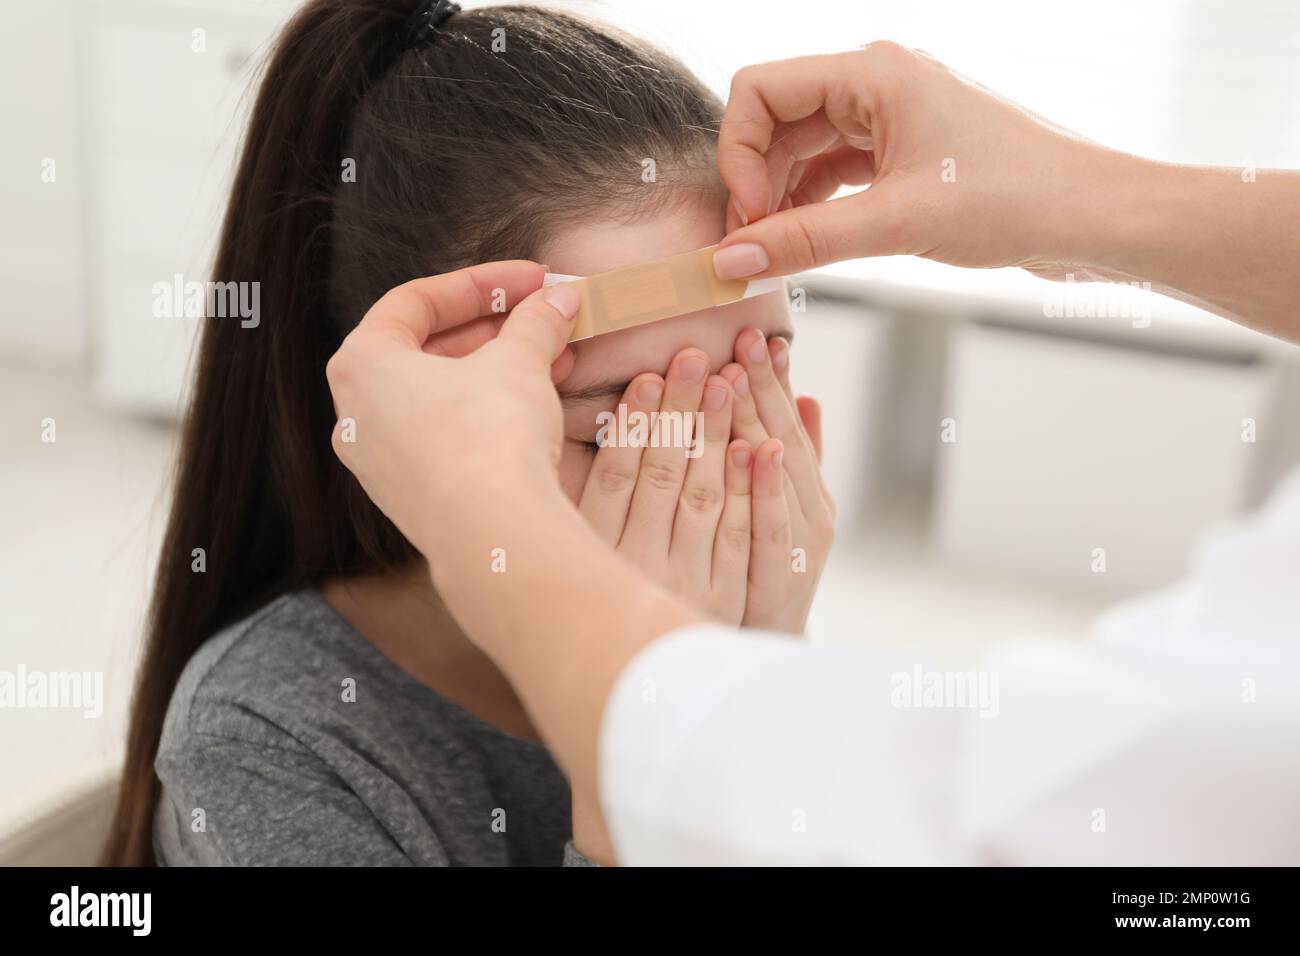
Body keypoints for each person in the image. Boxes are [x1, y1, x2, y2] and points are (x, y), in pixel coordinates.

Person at [324, 43, 1300, 864]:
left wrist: (744, 670)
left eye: (761, 375)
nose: (720, 465)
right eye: (627, 415)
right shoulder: (291, 741)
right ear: (425, 421)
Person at [102, 1, 832, 867]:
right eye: (615, 435)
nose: (715, 483)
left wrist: (756, 683)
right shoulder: (268, 744)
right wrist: (637, 765)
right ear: (407, 424)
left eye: (757, 387)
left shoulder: (750, 636)